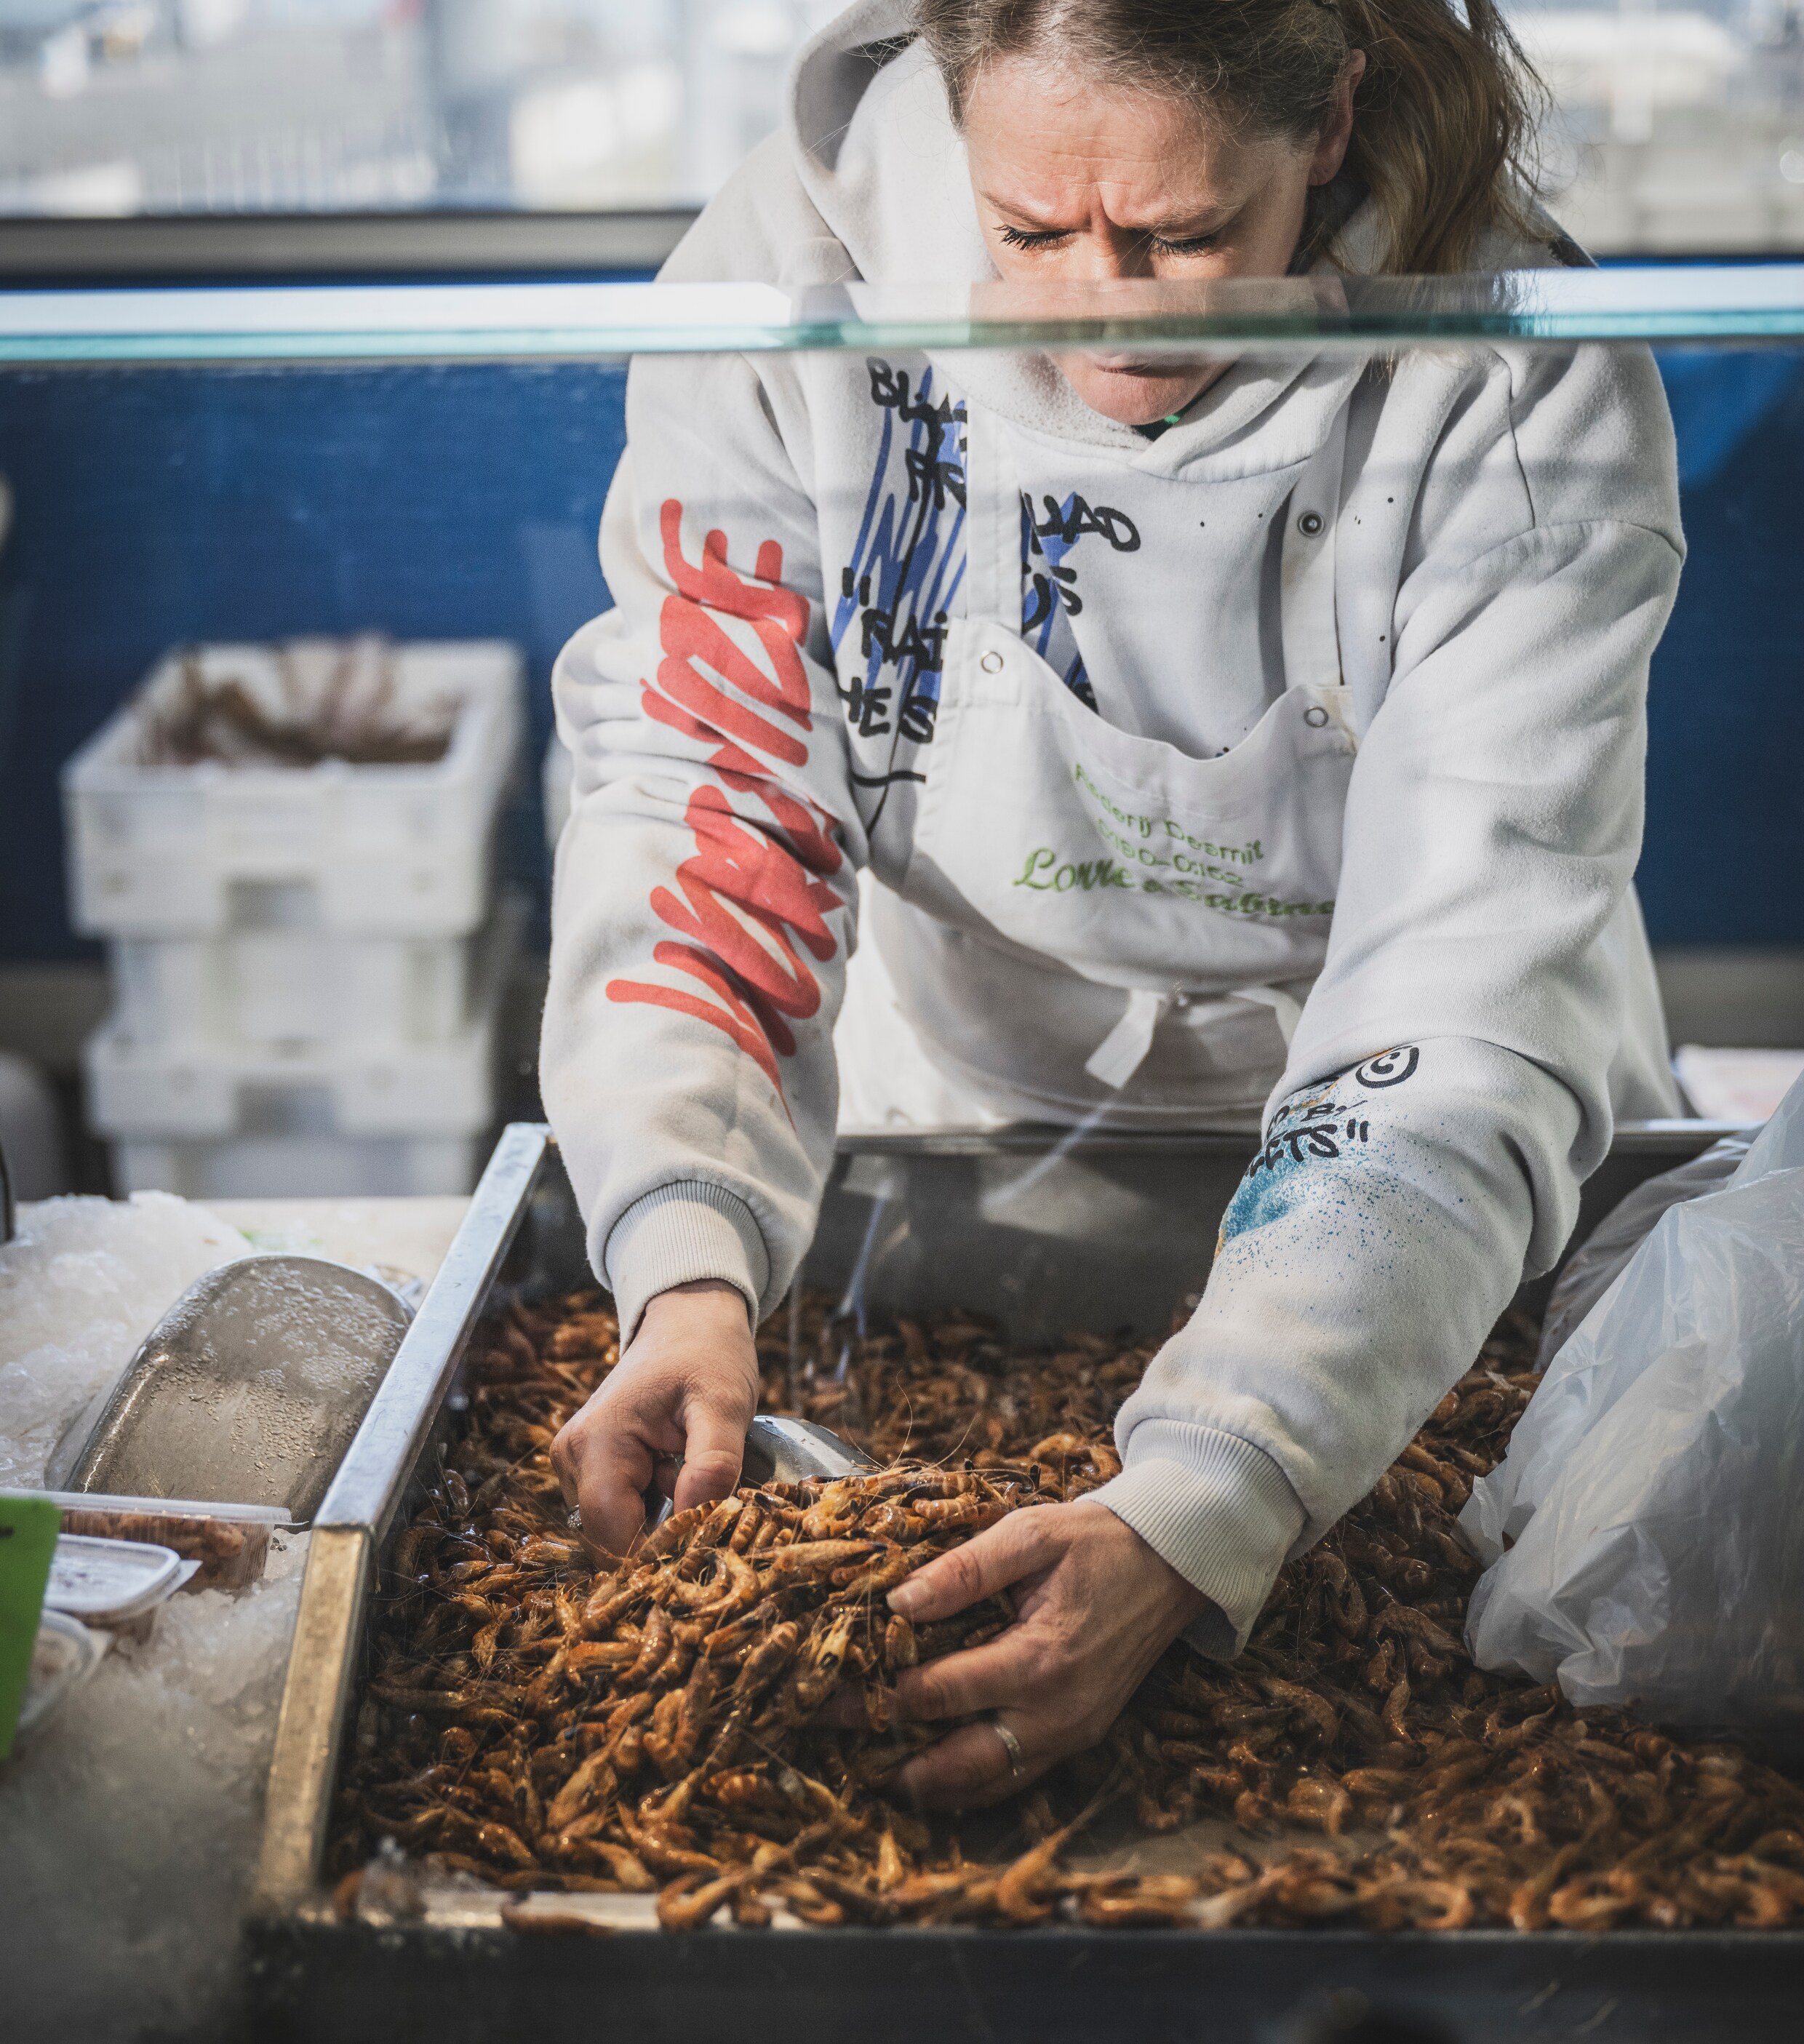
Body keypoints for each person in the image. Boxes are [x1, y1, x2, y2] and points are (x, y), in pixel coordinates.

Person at [543, 0, 1684, 1808]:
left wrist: (1206, 1494)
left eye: (1179, 239)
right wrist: (686, 1252)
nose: (1104, 313)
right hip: (975, 1083)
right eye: (1029, 236)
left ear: (1327, 124)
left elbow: (1460, 1000)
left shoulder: (1509, 379)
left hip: (1426, 1183)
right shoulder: (792, 274)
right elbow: (712, 788)